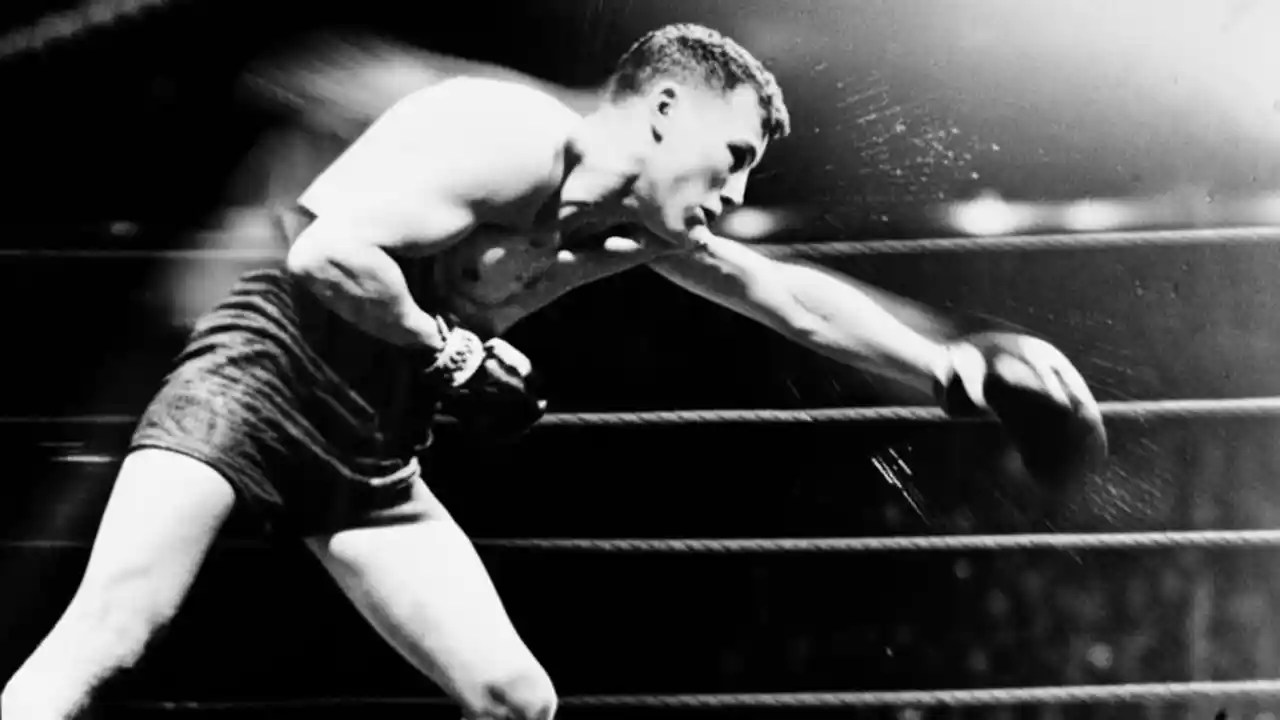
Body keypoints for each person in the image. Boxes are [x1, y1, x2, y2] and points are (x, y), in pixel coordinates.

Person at [1, 23, 1106, 720]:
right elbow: (324, 253)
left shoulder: (639, 229)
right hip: (261, 373)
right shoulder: (504, 133)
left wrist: (948, 367)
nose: (733, 192)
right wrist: (450, 350)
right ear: (665, 110)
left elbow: (785, 296)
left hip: (373, 443)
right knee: (104, 643)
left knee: (514, 698)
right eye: (731, 158)